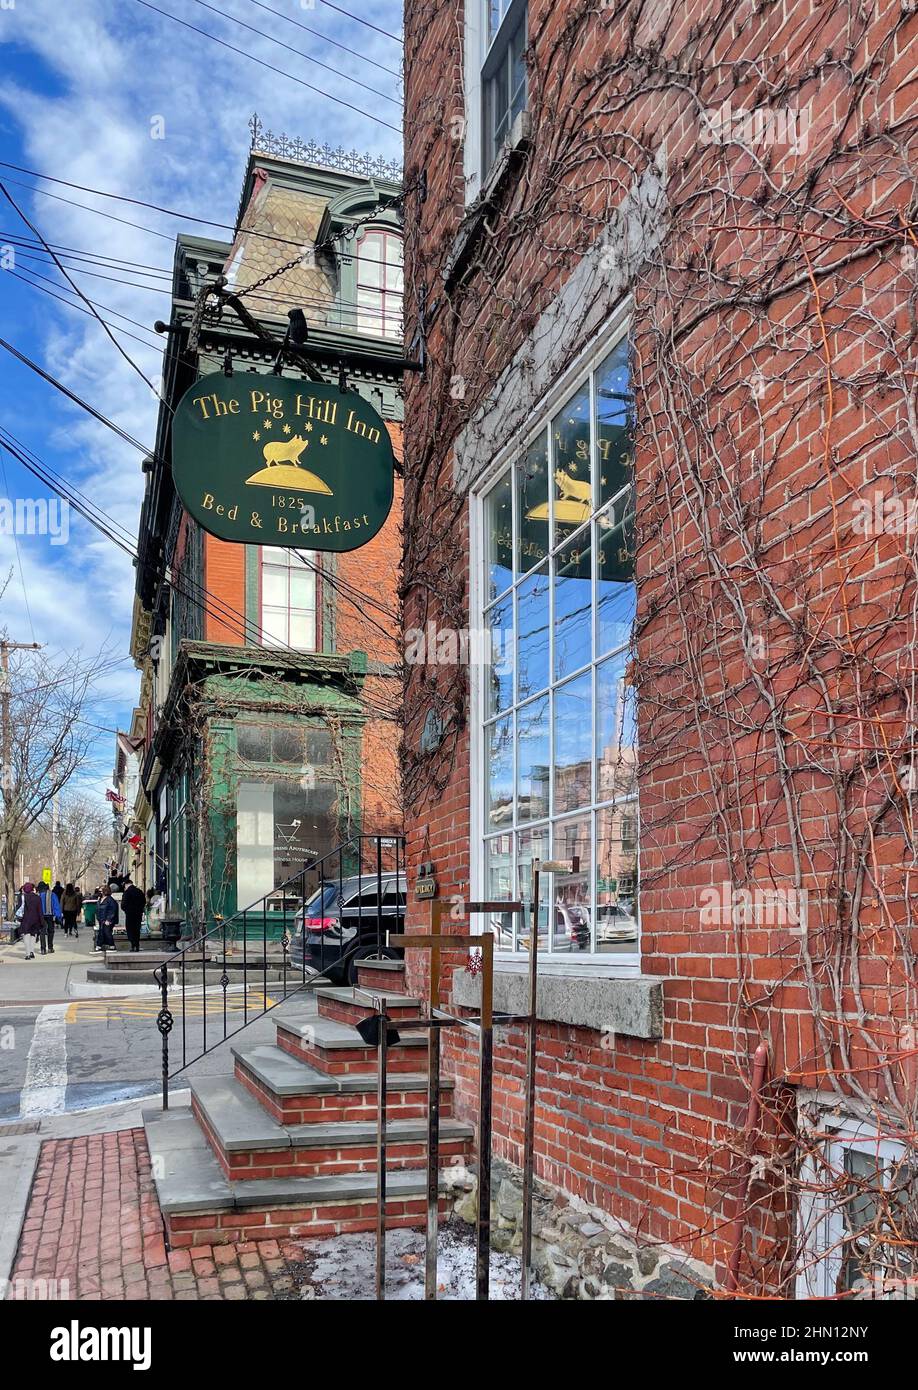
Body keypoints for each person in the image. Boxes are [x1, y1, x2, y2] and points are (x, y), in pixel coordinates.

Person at [18, 882, 42, 960]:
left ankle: (27, 954)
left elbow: (18, 908)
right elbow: (40, 910)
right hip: (35, 919)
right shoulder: (37, 898)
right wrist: (42, 921)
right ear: (32, 889)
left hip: (26, 919)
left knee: (26, 935)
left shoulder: (22, 897)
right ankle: (32, 951)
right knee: (33, 935)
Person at [120, 876, 145, 953]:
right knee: (137, 930)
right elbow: (143, 902)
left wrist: (127, 910)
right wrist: (140, 910)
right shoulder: (139, 891)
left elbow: (123, 905)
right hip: (138, 914)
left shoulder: (127, 892)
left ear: (126, 885)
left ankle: (133, 945)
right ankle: (137, 945)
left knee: (130, 930)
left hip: (130, 914)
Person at [37, 881, 62, 955]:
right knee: (51, 931)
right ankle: (50, 947)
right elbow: (56, 906)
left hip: (41, 916)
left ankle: (43, 949)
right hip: (50, 916)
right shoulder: (52, 895)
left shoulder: (39, 896)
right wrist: (58, 917)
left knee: (42, 932)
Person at [95, 886, 118, 953]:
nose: (99, 892)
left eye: (101, 891)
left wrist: (109, 919)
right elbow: (98, 909)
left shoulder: (110, 900)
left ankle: (112, 946)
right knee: (101, 932)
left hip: (107, 920)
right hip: (101, 919)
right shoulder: (100, 899)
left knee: (107, 932)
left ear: (105, 891)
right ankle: (99, 946)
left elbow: (112, 910)